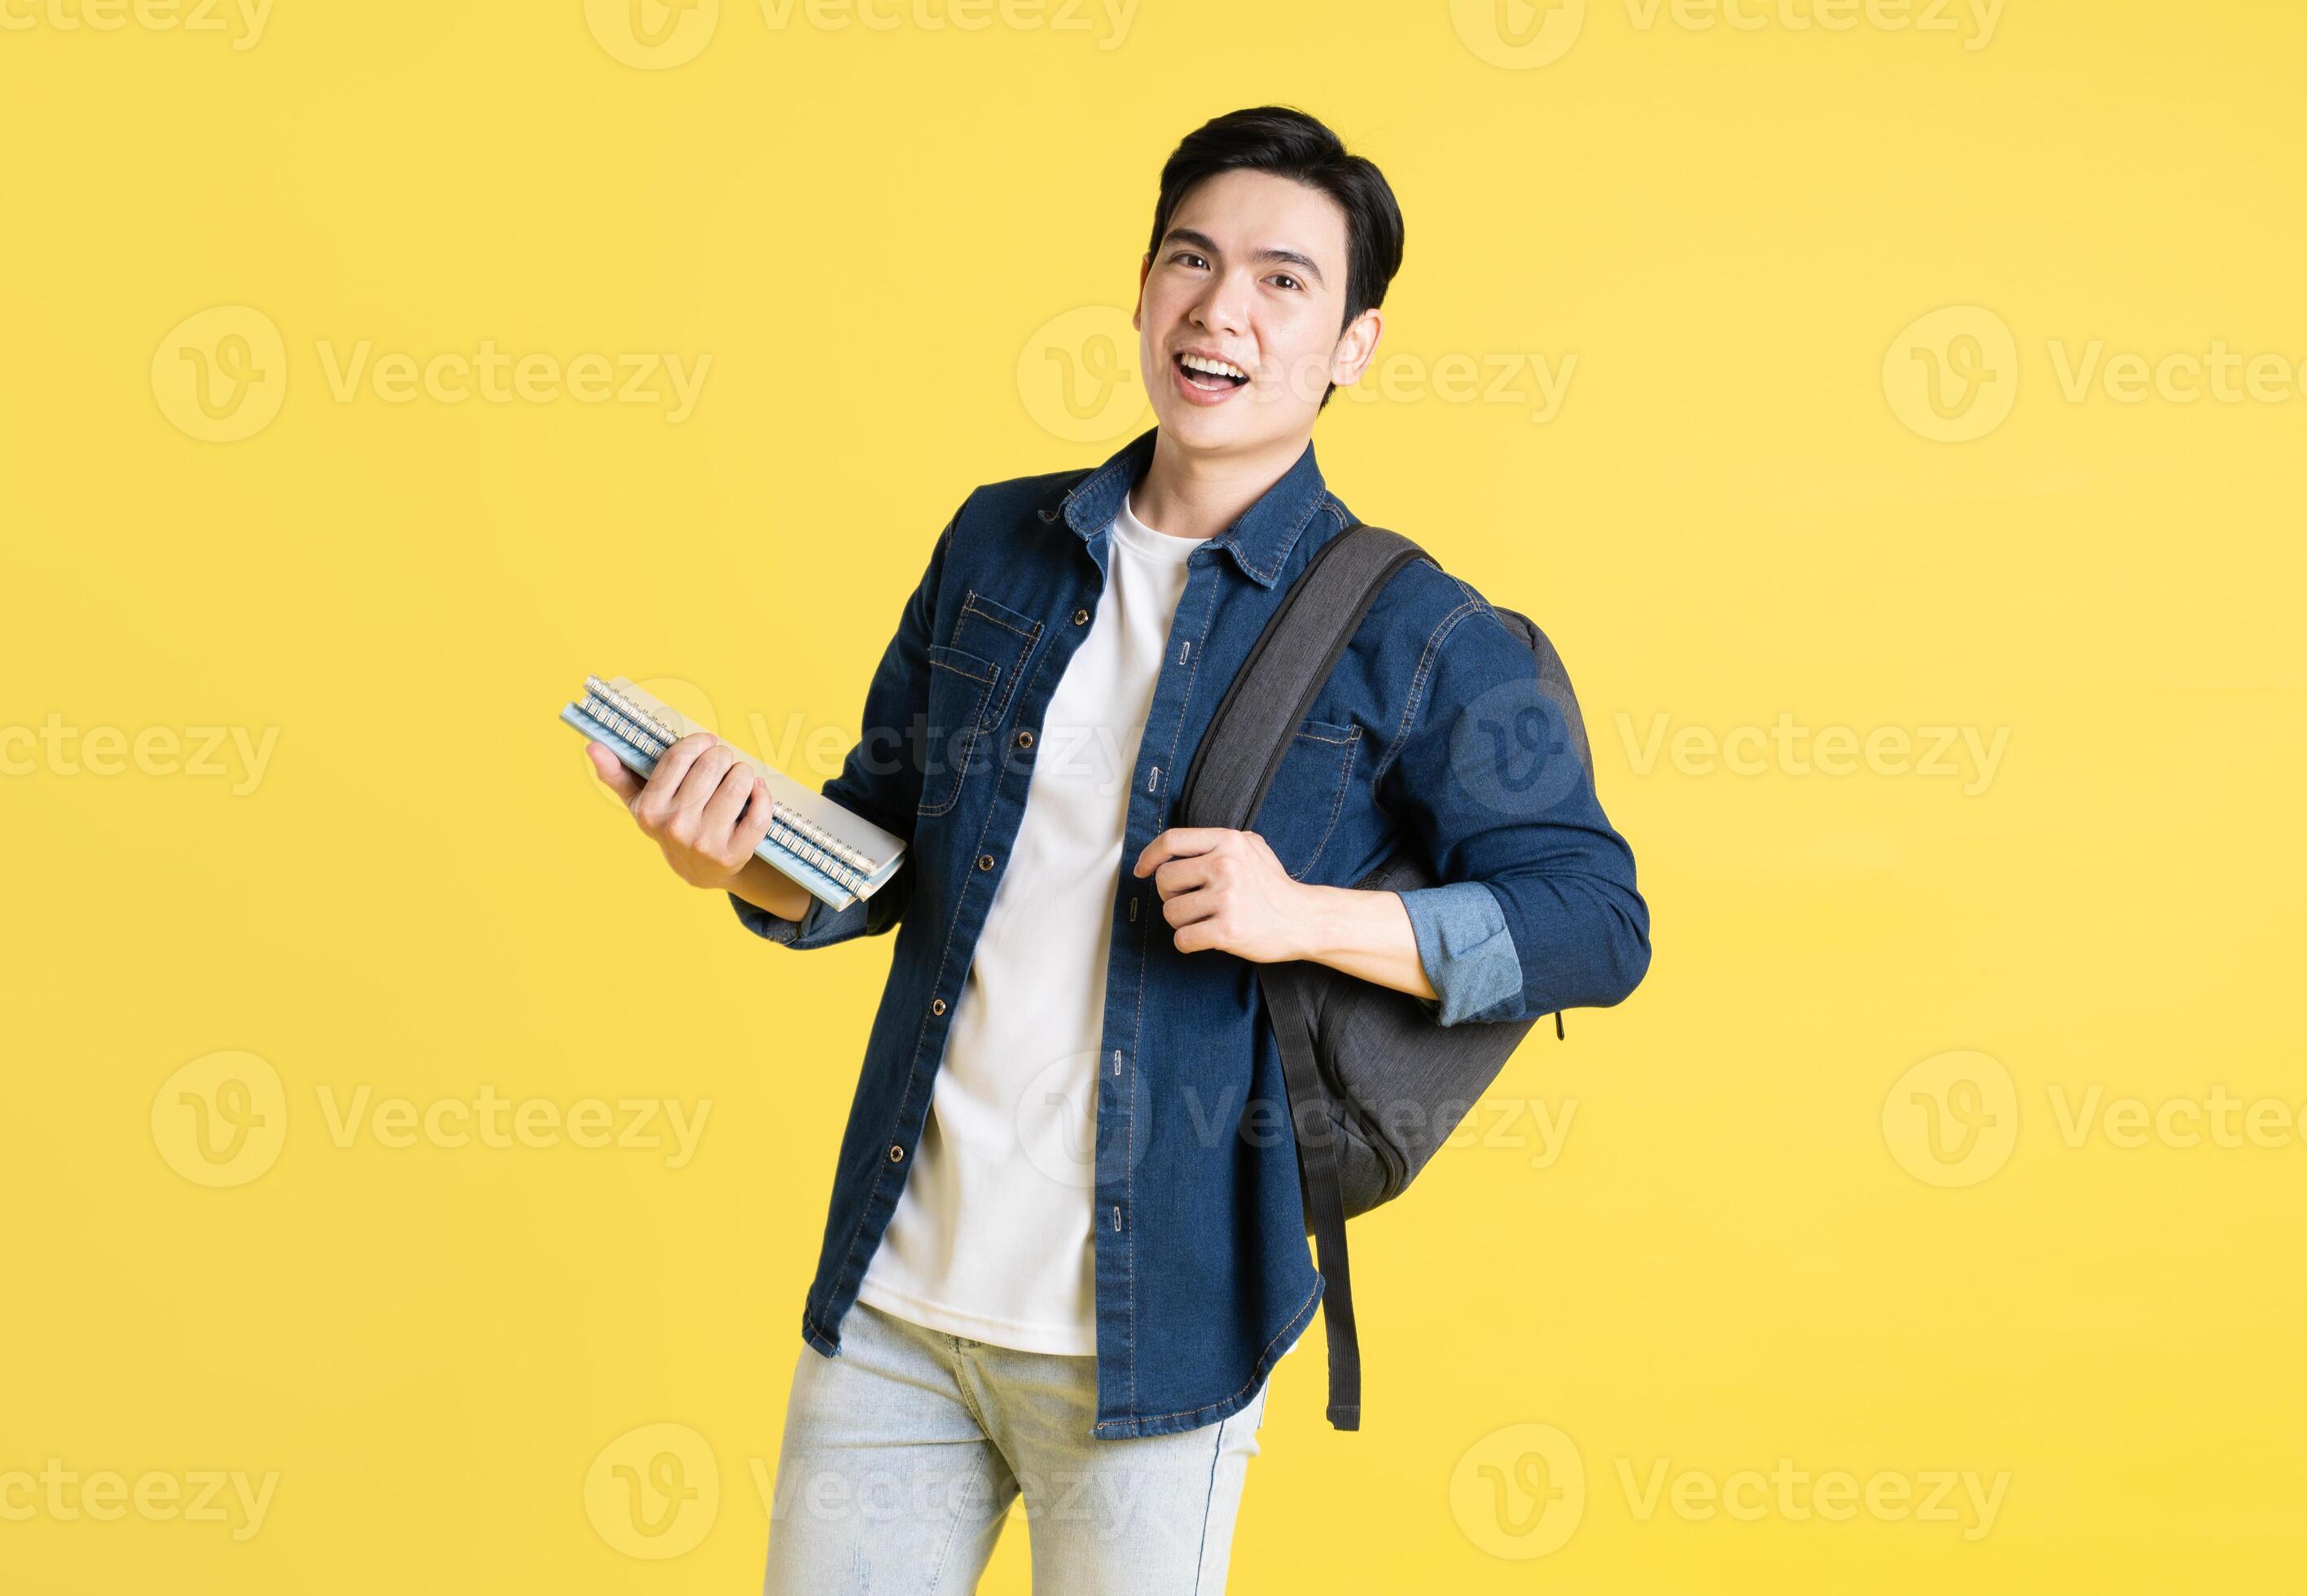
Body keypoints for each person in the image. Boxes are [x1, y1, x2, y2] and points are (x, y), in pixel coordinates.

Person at [587, 103, 1651, 1595]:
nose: (1223, 310)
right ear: (1144, 290)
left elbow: (1597, 919)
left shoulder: (1423, 631)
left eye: (1285, 281)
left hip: (1157, 1337)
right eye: (1190, 261)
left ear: (1354, 344)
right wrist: (737, 859)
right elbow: (883, 852)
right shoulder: (995, 544)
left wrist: (1306, 918)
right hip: (896, 1301)